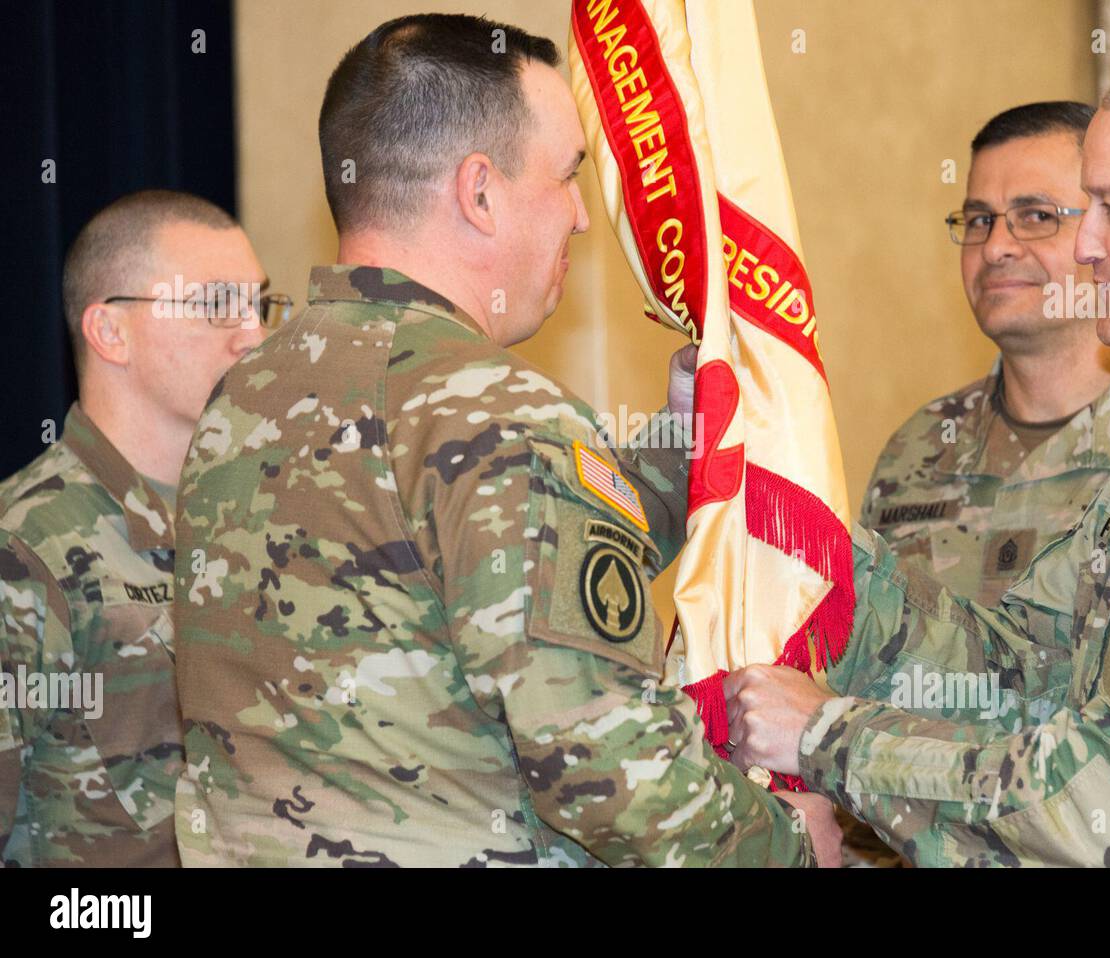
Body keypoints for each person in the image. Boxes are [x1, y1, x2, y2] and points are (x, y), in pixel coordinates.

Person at [171, 13, 838, 868]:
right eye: (567, 178)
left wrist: (682, 441)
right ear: (479, 192)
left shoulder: (246, 393)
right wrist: (787, 844)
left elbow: (472, 564)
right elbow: (610, 772)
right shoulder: (505, 414)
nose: (582, 220)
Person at [725, 52, 1110, 867]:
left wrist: (826, 737)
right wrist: (776, 507)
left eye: (1109, 209)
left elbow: (1100, 807)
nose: (1087, 247)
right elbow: (1017, 665)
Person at [0, 189, 275, 866]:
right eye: (215, 305)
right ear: (109, 332)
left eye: (260, 303)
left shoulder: (264, 523)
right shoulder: (27, 550)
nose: (255, 334)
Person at [863, 101, 1110, 608]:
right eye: (980, 219)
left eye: (1036, 216)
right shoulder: (918, 446)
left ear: (1108, 227)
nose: (994, 247)